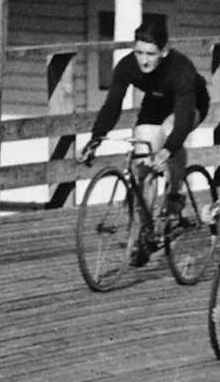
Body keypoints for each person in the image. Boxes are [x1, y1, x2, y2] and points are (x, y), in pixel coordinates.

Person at [80, 20, 210, 266]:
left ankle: (174, 197)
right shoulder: (127, 66)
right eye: (139, 52)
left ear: (164, 51)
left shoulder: (181, 69)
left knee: (170, 133)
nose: (144, 60)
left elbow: (182, 123)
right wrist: (95, 139)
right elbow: (112, 106)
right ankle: (145, 230)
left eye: (151, 54)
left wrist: (167, 151)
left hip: (190, 103)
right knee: (143, 161)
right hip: (156, 102)